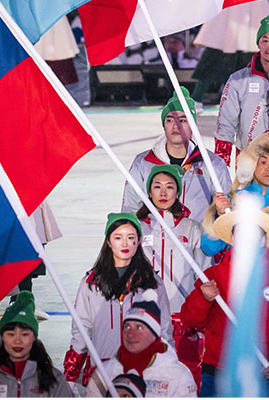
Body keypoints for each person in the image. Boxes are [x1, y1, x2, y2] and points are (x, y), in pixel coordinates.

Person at [180, 206, 269, 397]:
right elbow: (189, 320)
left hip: (264, 375)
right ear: (233, 239)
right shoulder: (212, 277)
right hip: (217, 374)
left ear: (262, 240)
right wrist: (203, 299)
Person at [62, 213, 173, 386]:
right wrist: (70, 374)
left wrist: (168, 366)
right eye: (118, 237)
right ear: (108, 241)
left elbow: (164, 328)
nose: (125, 243)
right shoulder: (91, 283)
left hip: (143, 373)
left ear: (139, 241)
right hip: (102, 372)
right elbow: (81, 330)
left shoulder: (152, 282)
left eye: (131, 237)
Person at [201, 132, 269, 279]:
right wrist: (219, 215)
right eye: (263, 162)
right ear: (252, 164)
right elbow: (208, 248)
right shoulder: (233, 200)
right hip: (237, 282)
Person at [133, 164, 207, 389]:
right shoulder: (136, 228)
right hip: (143, 318)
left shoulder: (192, 228)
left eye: (169, 187)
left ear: (178, 192)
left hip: (182, 319)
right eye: (157, 187)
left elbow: (203, 275)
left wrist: (198, 315)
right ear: (149, 192)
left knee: (185, 377)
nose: (163, 193)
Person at [122, 87, 231, 219]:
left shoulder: (213, 164)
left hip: (199, 238)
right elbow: (129, 209)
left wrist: (222, 211)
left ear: (193, 126)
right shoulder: (143, 163)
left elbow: (228, 213)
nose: (176, 125)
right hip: (156, 237)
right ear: (164, 125)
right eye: (169, 120)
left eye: (183, 120)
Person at [214, 14, 269, 165]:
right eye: (265, 40)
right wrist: (222, 155)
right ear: (258, 44)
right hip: (249, 158)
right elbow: (226, 119)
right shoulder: (239, 79)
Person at [85, 301, 198, 398]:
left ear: (154, 334)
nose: (131, 334)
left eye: (139, 327)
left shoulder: (178, 375)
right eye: (127, 326)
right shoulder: (104, 373)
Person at [0, 291, 69, 397]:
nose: (17, 341)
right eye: (11, 334)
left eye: (24, 334)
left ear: (34, 337)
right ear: (2, 336)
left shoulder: (54, 379)